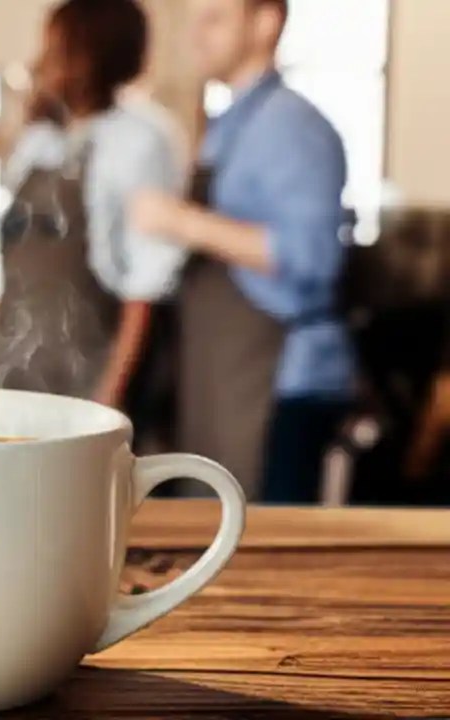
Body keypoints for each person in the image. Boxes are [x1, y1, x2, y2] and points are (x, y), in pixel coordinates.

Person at [131, 0, 352, 503]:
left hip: (277, 386)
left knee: (261, 549)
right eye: (194, 22)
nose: (196, 36)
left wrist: (181, 221)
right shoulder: (230, 124)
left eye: (215, 20)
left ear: (265, 23)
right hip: (220, 374)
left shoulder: (291, 127)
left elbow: (313, 255)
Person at [0, 0, 187, 409]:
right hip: (12, 368)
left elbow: (142, 289)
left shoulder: (140, 140)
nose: (41, 62)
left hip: (88, 372)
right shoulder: (40, 141)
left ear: (93, 55)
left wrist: (108, 395)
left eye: (56, 49)